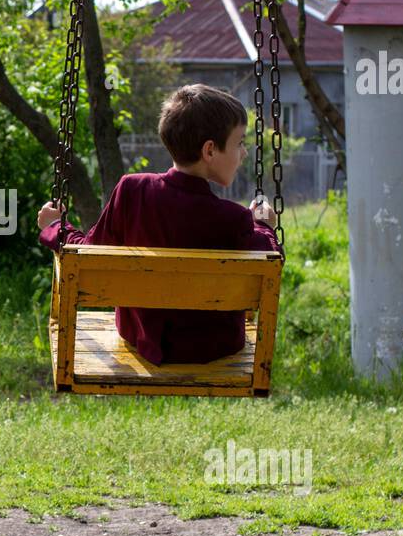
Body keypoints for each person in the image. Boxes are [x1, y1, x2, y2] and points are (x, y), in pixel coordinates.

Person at [36, 83, 282, 365]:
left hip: (141, 337)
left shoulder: (132, 191)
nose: (244, 153)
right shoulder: (234, 218)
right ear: (210, 151)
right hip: (215, 345)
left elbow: (84, 252)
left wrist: (56, 225)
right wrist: (264, 225)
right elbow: (271, 262)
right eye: (239, 143)